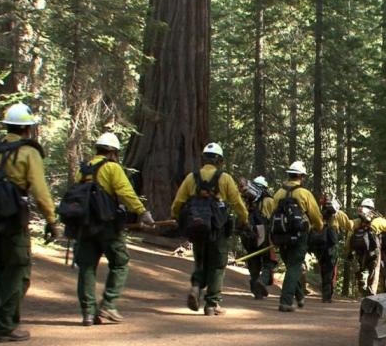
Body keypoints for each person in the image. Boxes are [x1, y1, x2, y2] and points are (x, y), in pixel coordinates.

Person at [73, 132, 155, 326]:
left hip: (84, 225)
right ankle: (108, 305)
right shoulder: (112, 168)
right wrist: (142, 212)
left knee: (87, 267)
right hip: (107, 226)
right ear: (114, 152)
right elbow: (125, 192)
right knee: (119, 262)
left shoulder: (83, 170)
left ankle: (87, 312)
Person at [0, 103, 60, 342]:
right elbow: (40, 190)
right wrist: (51, 220)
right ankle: (5, 326)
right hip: (13, 219)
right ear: (27, 128)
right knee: (18, 270)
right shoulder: (28, 152)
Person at [171, 143, 249, 316]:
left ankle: (196, 286)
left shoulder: (192, 178)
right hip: (217, 228)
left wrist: (176, 216)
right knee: (217, 265)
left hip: (197, 227)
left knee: (200, 261)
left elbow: (178, 202)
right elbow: (237, 202)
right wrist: (244, 219)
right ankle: (212, 304)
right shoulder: (225, 178)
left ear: (204, 158)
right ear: (219, 160)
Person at [269, 161, 323, 312]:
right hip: (299, 235)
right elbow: (315, 215)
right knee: (294, 267)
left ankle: (299, 296)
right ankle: (286, 301)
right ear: (301, 176)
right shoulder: (304, 194)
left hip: (281, 236)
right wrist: (319, 228)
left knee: (291, 266)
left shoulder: (278, 193)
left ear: (289, 174)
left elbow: (273, 214)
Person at [309, 194, 353, 303]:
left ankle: (325, 292)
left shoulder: (318, 213)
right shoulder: (338, 214)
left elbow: (311, 226)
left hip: (319, 245)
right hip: (331, 246)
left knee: (323, 268)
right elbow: (349, 226)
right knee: (330, 270)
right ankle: (327, 296)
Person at [238, 176, 277, 299]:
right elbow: (274, 218)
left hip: (249, 235)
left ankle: (257, 291)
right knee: (269, 262)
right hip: (264, 234)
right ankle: (262, 281)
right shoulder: (269, 201)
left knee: (253, 261)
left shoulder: (246, 202)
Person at [345, 198, 386, 297]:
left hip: (360, 251)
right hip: (374, 251)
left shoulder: (357, 222)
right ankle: (371, 294)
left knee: (362, 269)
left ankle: (362, 290)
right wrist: (385, 219)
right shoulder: (377, 221)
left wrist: (349, 251)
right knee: (374, 272)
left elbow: (349, 236)